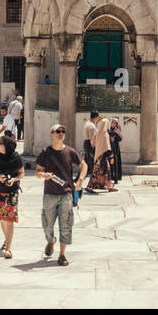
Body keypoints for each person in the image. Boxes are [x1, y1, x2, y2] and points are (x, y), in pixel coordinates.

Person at [35, 124, 85, 266]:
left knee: (66, 224)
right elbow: (37, 172)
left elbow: (84, 165)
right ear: (52, 134)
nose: (61, 133)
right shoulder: (45, 153)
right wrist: (43, 174)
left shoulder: (70, 152)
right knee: (47, 225)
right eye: (58, 131)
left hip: (66, 194)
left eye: (63, 131)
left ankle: (62, 254)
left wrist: (80, 179)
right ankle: (51, 241)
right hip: (49, 194)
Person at [0, 133, 22, 258]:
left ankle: (8, 248)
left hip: (12, 191)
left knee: (10, 219)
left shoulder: (16, 158)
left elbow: (21, 174)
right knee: (2, 218)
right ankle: (7, 239)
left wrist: (14, 179)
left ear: (6, 145)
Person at [88, 111, 115, 191]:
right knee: (104, 172)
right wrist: (111, 157)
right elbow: (107, 147)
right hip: (103, 156)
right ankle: (106, 186)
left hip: (98, 156)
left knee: (97, 172)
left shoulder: (98, 132)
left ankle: (104, 186)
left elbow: (92, 142)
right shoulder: (105, 134)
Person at [108, 117, 123, 182]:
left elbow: (120, 139)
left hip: (116, 149)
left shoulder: (117, 131)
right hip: (109, 148)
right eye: (112, 122)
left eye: (115, 123)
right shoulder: (109, 130)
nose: (113, 124)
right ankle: (110, 177)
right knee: (110, 162)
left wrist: (116, 133)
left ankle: (116, 178)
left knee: (116, 163)